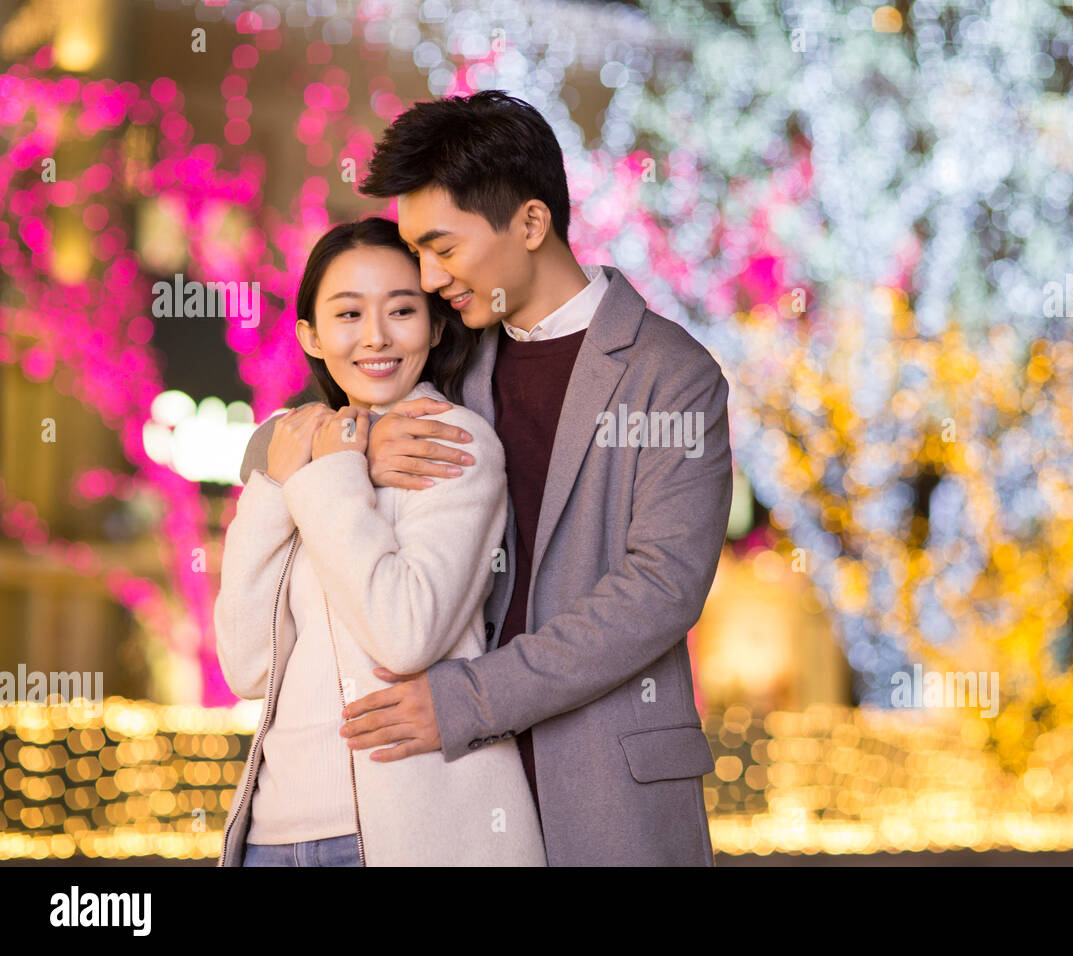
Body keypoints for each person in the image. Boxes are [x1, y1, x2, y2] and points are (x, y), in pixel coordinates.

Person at [239, 90, 732, 865]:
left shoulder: (672, 375)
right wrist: (359, 445)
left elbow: (660, 589)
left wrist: (472, 698)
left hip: (599, 771)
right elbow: (283, 440)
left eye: (442, 248)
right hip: (451, 792)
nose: (428, 278)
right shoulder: (458, 355)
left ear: (530, 224)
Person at [215, 216, 546, 866]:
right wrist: (285, 479)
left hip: (404, 834)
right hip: (270, 836)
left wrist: (335, 468)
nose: (375, 337)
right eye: (347, 313)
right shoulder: (295, 446)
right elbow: (246, 665)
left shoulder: (450, 441)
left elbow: (404, 633)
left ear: (436, 324)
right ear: (310, 333)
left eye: (401, 310)